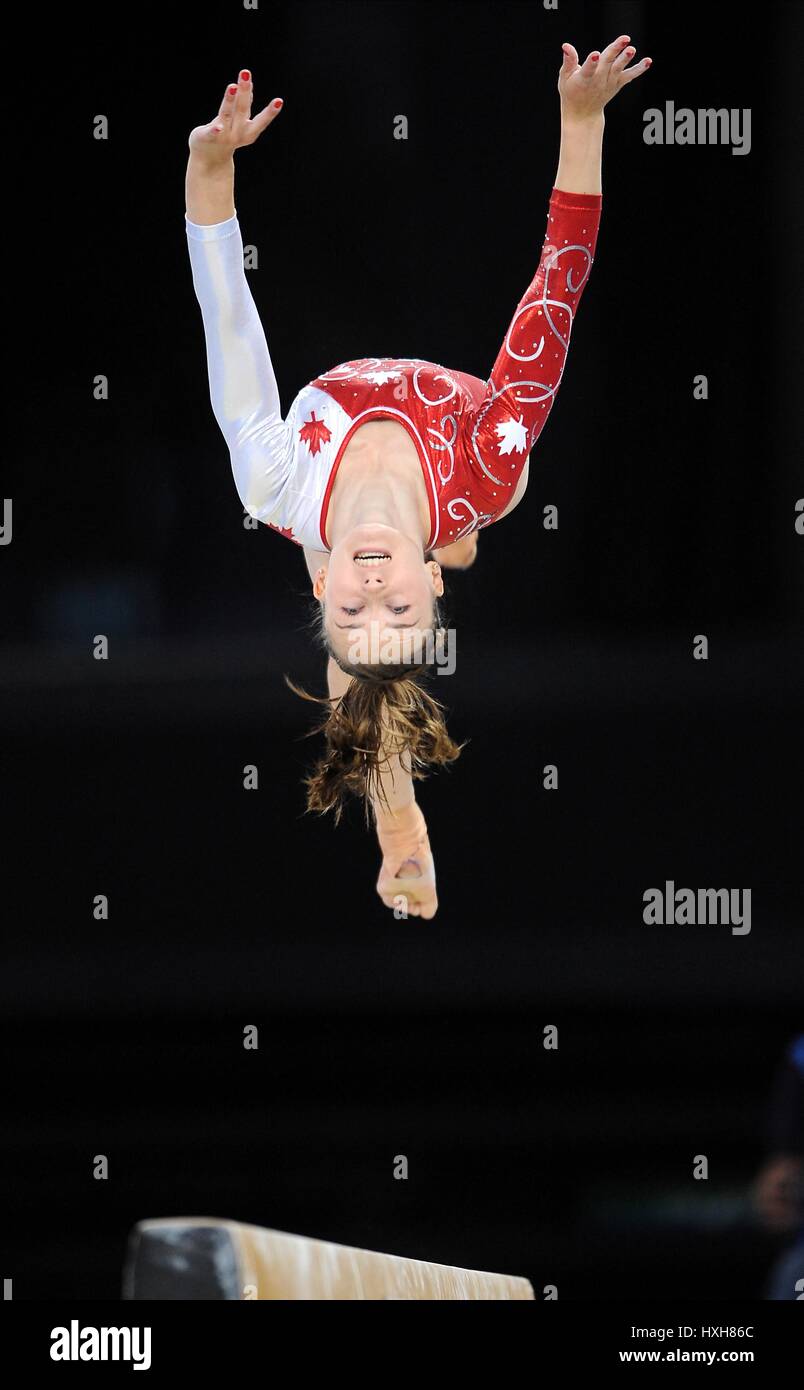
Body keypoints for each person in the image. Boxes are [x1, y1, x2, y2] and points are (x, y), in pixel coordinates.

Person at [184, 36, 652, 919]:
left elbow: (226, 309)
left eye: (348, 606)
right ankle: (405, 811)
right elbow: (560, 281)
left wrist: (209, 170)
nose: (369, 588)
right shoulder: (490, 460)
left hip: (341, 439)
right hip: (456, 457)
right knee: (501, 499)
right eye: (396, 606)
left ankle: (401, 831)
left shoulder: (275, 483)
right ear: (429, 580)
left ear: (318, 580)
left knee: (365, 680)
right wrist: (580, 121)